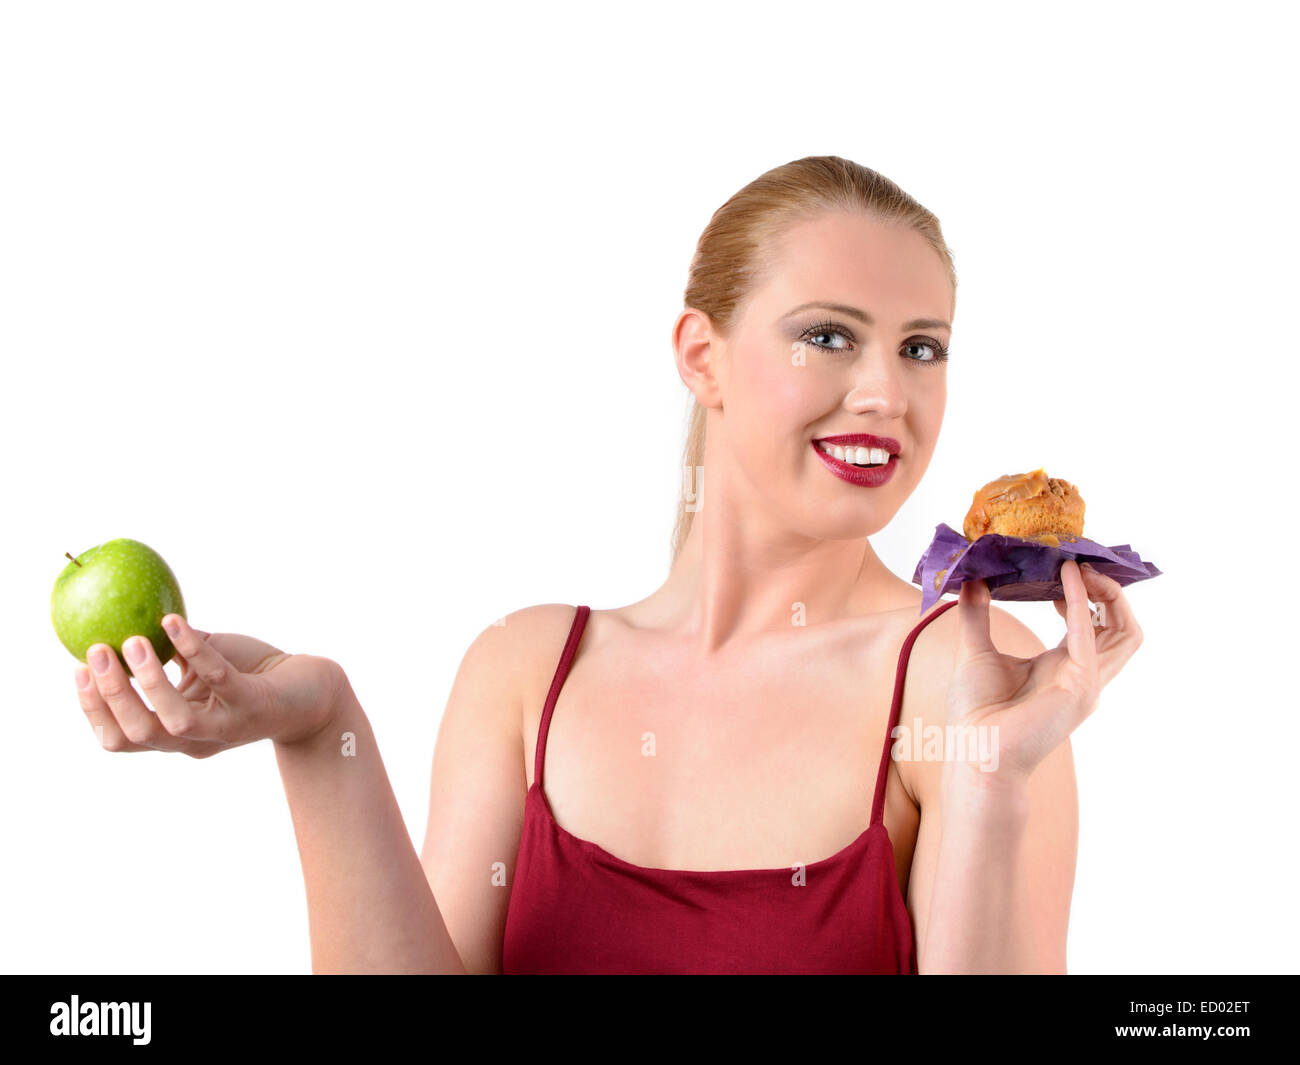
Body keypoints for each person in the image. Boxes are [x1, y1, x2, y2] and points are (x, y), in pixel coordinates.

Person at [72, 155, 1144, 974]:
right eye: (828, 335)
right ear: (700, 356)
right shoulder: (527, 670)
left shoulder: (965, 675)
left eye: (921, 346)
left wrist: (996, 792)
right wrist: (320, 732)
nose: (886, 394)